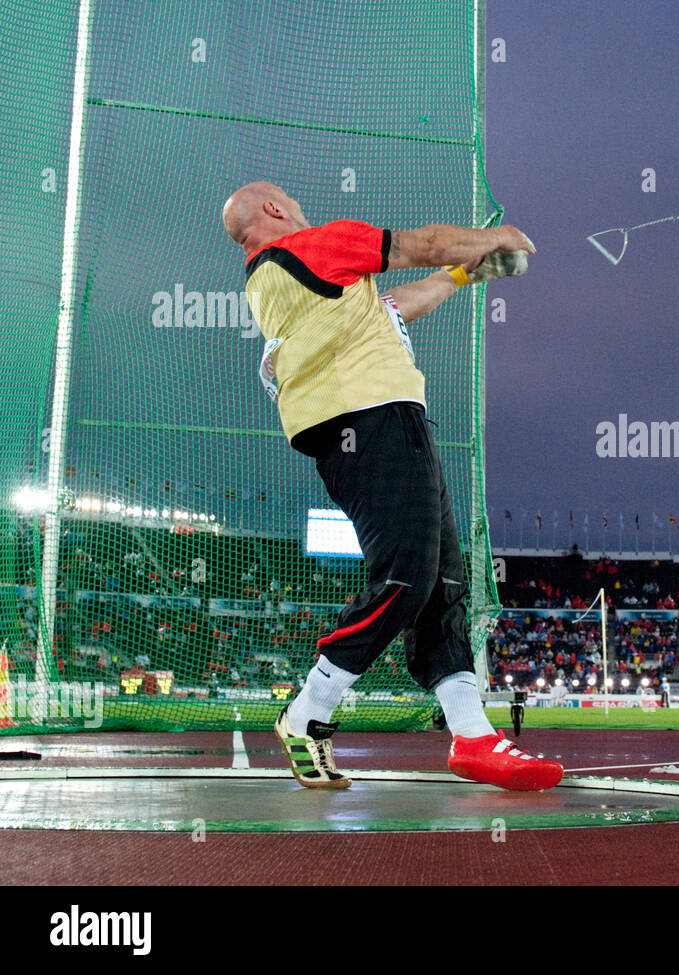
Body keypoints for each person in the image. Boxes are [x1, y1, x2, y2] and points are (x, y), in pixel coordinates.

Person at [221, 181, 562, 791]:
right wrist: (497, 239)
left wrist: (467, 274)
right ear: (274, 210)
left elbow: (397, 304)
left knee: (441, 586)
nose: (303, 204)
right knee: (406, 578)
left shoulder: (289, 287)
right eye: (292, 200)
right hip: (373, 419)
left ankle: (473, 739)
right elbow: (422, 245)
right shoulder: (315, 245)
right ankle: (308, 713)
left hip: (372, 426)